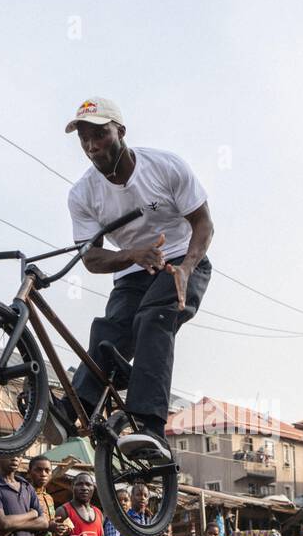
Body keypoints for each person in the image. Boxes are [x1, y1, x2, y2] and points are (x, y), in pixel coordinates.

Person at [46, 97, 214, 464]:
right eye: (85, 138)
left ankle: (149, 426)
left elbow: (204, 223)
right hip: (132, 272)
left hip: (181, 260)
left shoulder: (164, 167)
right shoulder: (83, 194)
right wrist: (132, 255)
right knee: (108, 334)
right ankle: (72, 410)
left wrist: (186, 267)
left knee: (154, 318)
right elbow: (91, 258)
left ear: (120, 132)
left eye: (101, 135)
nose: (92, 146)